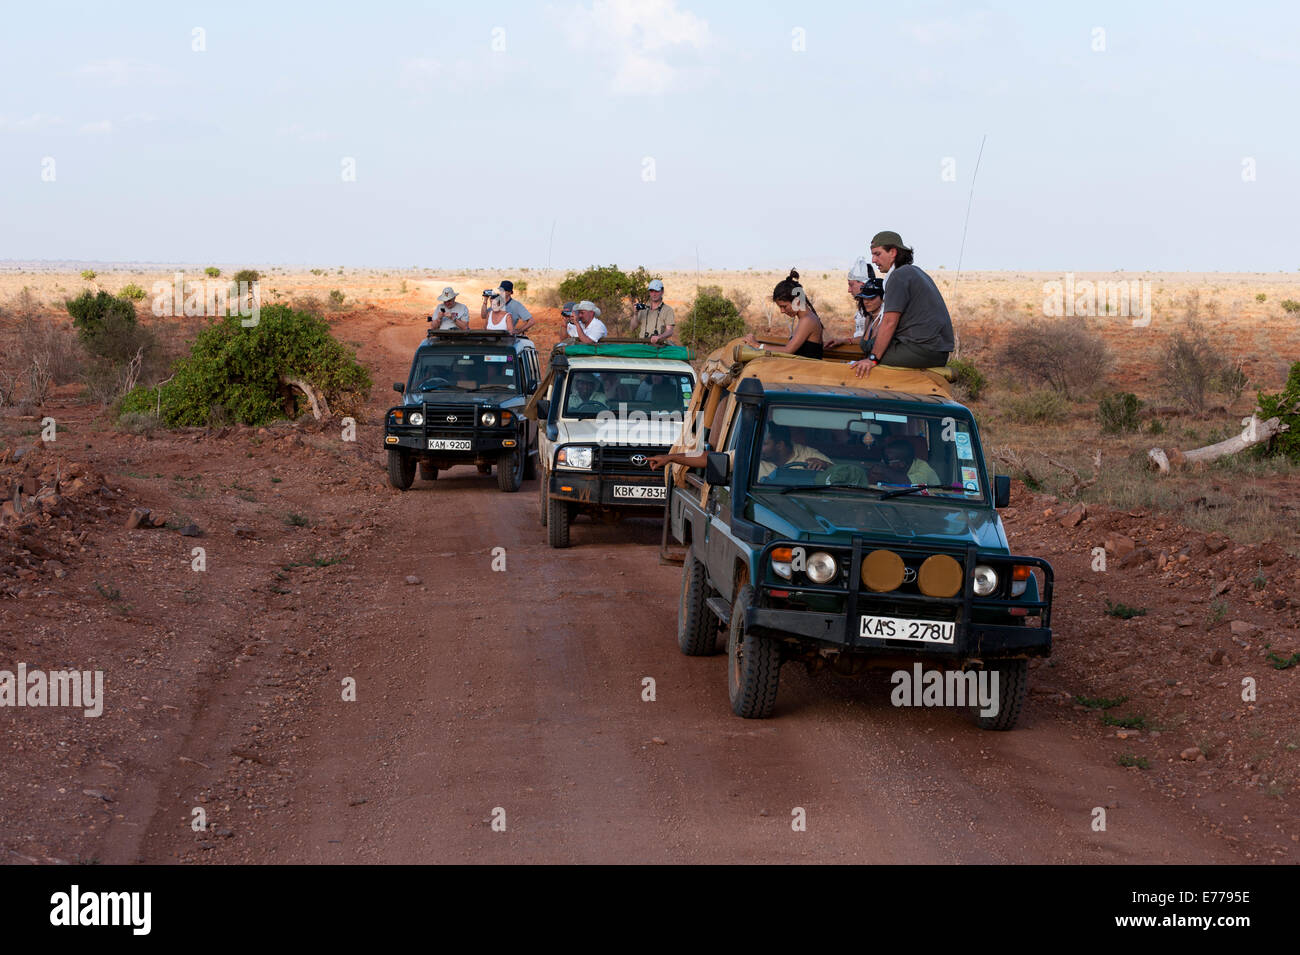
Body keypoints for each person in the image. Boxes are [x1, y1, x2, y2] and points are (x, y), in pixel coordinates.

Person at [852, 231, 954, 378]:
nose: (873, 260)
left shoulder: (898, 277)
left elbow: (889, 322)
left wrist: (873, 359)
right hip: (935, 349)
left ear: (893, 252)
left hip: (923, 350)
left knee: (867, 360)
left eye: (877, 254)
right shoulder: (913, 272)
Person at [743, 269, 824, 359]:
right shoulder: (806, 318)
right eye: (780, 307)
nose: (782, 311)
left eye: (784, 306)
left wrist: (757, 345)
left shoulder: (807, 320)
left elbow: (788, 350)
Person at [827, 262, 884, 350]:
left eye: (851, 285)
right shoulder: (866, 310)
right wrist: (845, 340)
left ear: (863, 284)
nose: (849, 290)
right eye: (864, 298)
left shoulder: (880, 313)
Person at [871, 437, 941, 486]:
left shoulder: (924, 470)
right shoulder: (897, 471)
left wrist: (884, 471)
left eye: (887, 460)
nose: (883, 462)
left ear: (902, 464)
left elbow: (908, 484)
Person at [635, 279, 675, 343]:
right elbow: (632, 328)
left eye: (656, 291)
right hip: (642, 347)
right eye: (651, 291)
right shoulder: (643, 308)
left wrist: (659, 337)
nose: (654, 294)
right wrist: (635, 314)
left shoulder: (668, 310)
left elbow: (670, 331)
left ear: (662, 291)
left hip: (658, 348)